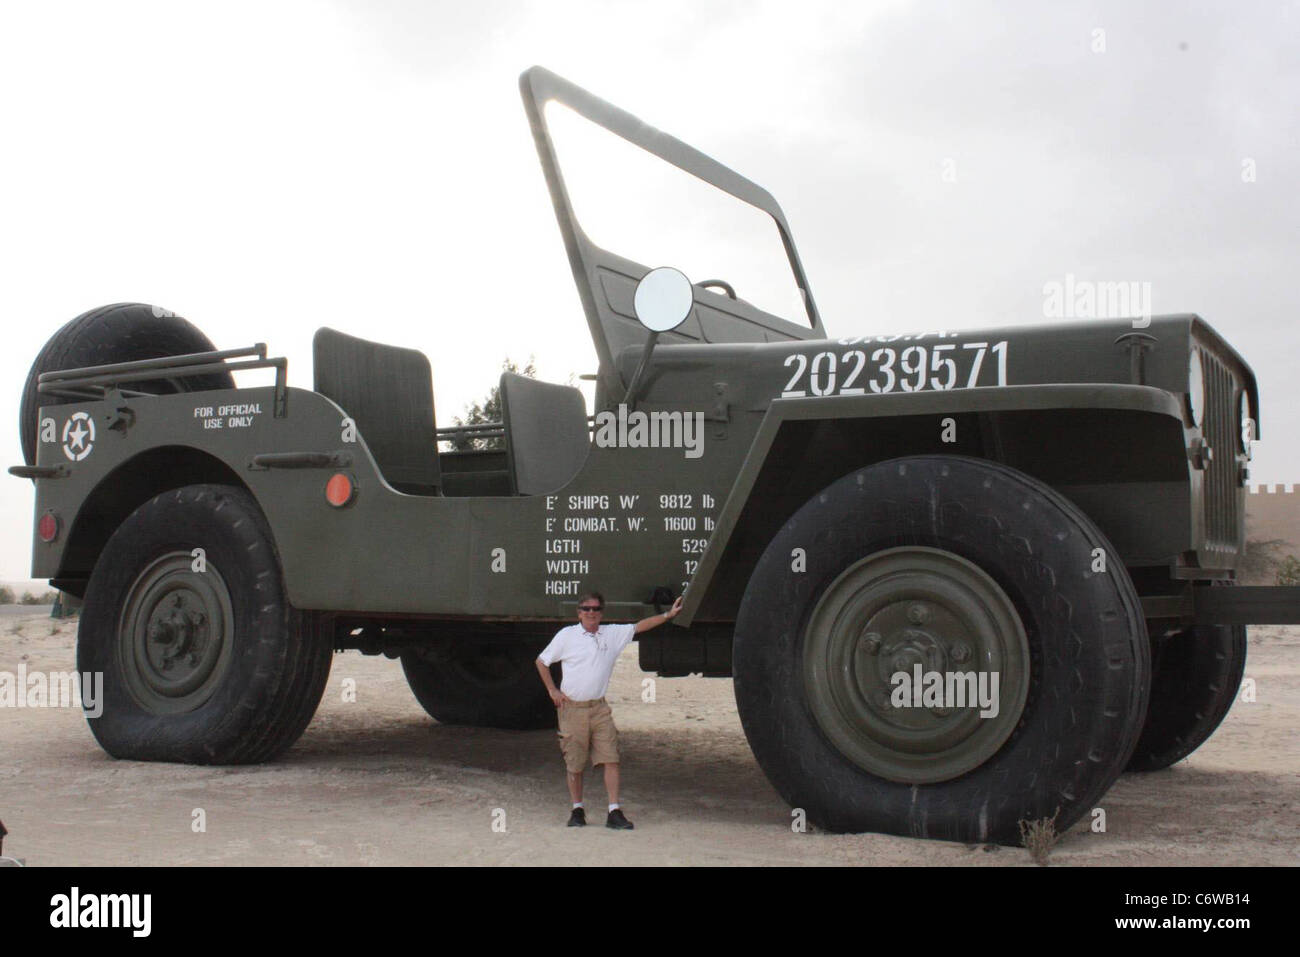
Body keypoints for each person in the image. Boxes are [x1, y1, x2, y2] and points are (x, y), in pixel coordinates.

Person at [535, 590, 684, 830]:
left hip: (599, 708)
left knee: (611, 758)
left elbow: (639, 627)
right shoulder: (567, 636)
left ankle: (614, 811)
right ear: (579, 613)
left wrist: (668, 614)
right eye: (586, 609)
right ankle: (577, 809)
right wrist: (552, 690)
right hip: (572, 709)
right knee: (575, 763)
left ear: (601, 612)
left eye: (595, 609)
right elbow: (542, 661)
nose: (591, 613)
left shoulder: (612, 634)